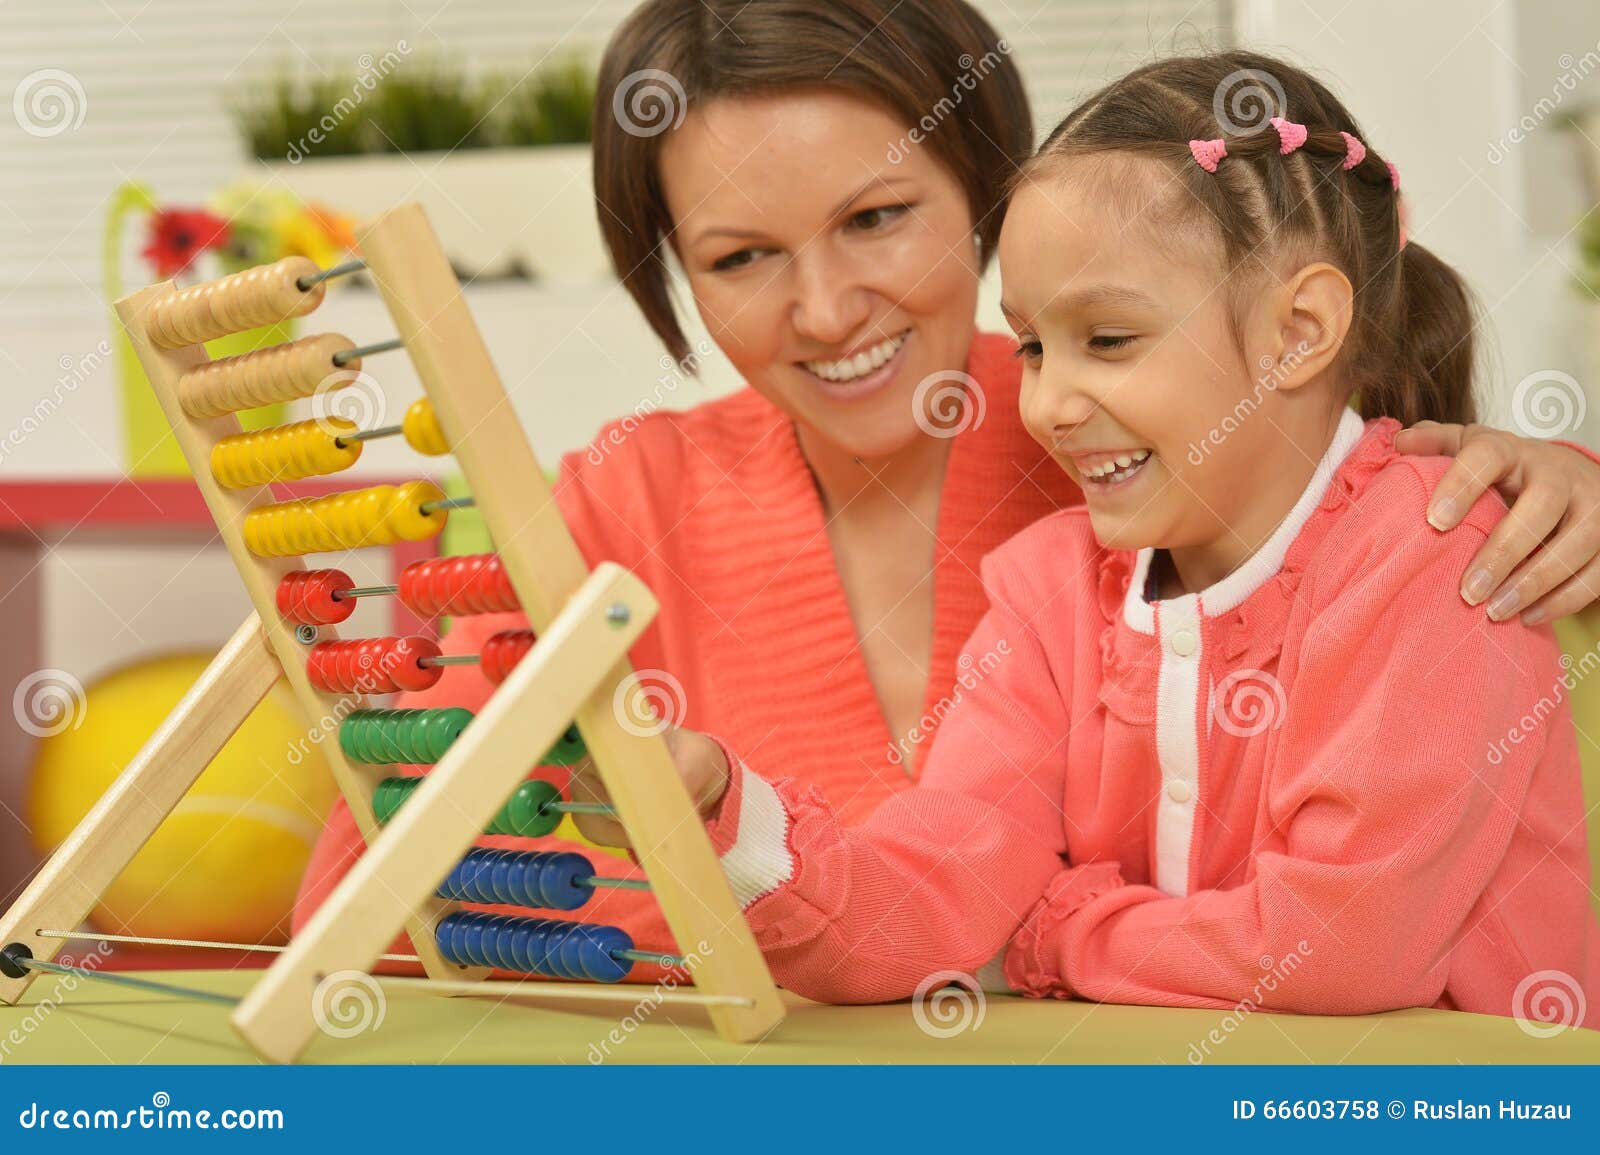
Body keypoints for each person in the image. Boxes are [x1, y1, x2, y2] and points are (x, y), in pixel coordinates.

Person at [294, 3, 1600, 977]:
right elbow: (389, 882)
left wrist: (1568, 475)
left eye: (876, 219)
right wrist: (716, 865)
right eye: (742, 256)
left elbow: (1374, 507)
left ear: (987, 197)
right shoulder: (621, 507)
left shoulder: (1140, 451)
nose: (823, 310)